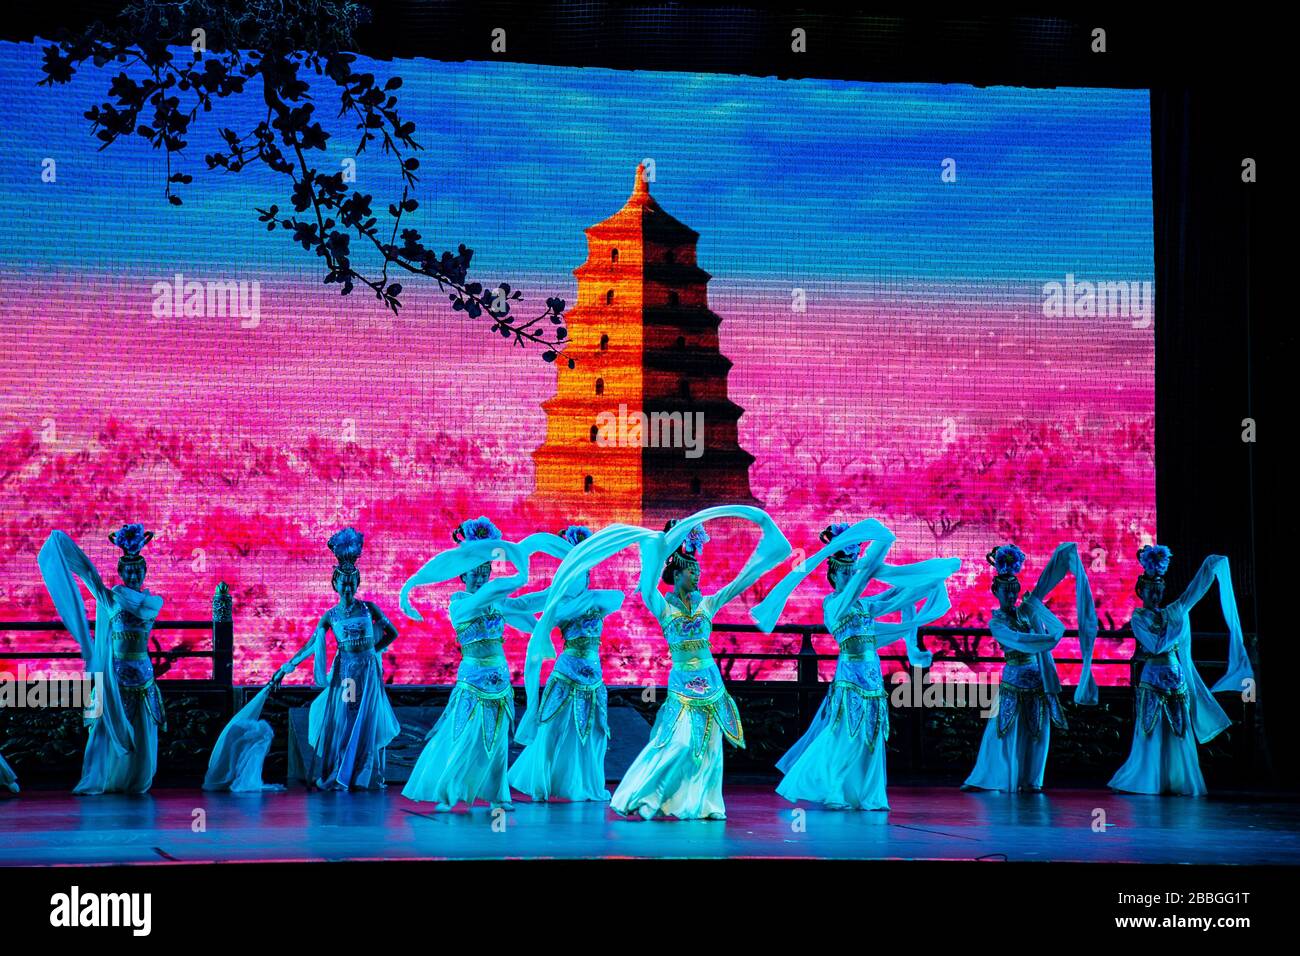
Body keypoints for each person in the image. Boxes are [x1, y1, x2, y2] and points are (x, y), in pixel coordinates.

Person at [751, 518, 958, 810]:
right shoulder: (833, 605)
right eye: (844, 572)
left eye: (852, 570)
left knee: (869, 735)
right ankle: (833, 789)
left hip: (872, 677)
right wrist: (867, 555)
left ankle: (866, 794)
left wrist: (927, 578)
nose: (850, 575)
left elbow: (897, 596)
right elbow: (864, 577)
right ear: (833, 576)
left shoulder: (865, 604)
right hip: (849, 676)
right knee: (843, 733)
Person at [1108, 545, 1253, 795]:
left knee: (1179, 732)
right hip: (1152, 679)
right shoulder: (1139, 617)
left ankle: (1179, 781)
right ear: (1141, 591)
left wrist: (1209, 567)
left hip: (1177, 680)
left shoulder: (1173, 612)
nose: (1155, 594)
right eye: (1150, 590)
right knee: (1151, 731)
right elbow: (1155, 646)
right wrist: (1175, 627)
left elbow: (1192, 594)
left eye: (1159, 589)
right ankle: (1149, 781)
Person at [38, 524, 166, 794]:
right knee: (105, 729)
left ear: (145, 571)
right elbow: (89, 575)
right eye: (128, 570)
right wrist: (62, 546)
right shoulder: (111, 599)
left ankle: (134, 779)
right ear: (120, 572)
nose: (133, 574)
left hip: (143, 672)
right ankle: (106, 777)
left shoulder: (152, 602)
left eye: (138, 570)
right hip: (115, 674)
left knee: (142, 731)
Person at [962, 542, 1098, 793]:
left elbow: (1046, 604)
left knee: (1036, 730)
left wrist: (1037, 606)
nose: (1011, 596)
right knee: (1004, 731)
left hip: (1036, 678)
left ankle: (1031, 779)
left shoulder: (1026, 611)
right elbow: (1020, 641)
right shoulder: (997, 622)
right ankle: (996, 778)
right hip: (1013, 678)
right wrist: (1048, 640)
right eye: (1006, 592)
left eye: (1014, 591)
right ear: (997, 593)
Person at [509, 524, 625, 802]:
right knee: (551, 729)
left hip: (594, 674)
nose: (581, 575)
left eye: (585, 569)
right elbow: (522, 605)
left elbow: (618, 599)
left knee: (595, 732)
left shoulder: (600, 599)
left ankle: (586, 785)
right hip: (566, 671)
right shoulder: (557, 600)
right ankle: (541, 784)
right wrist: (495, 601)